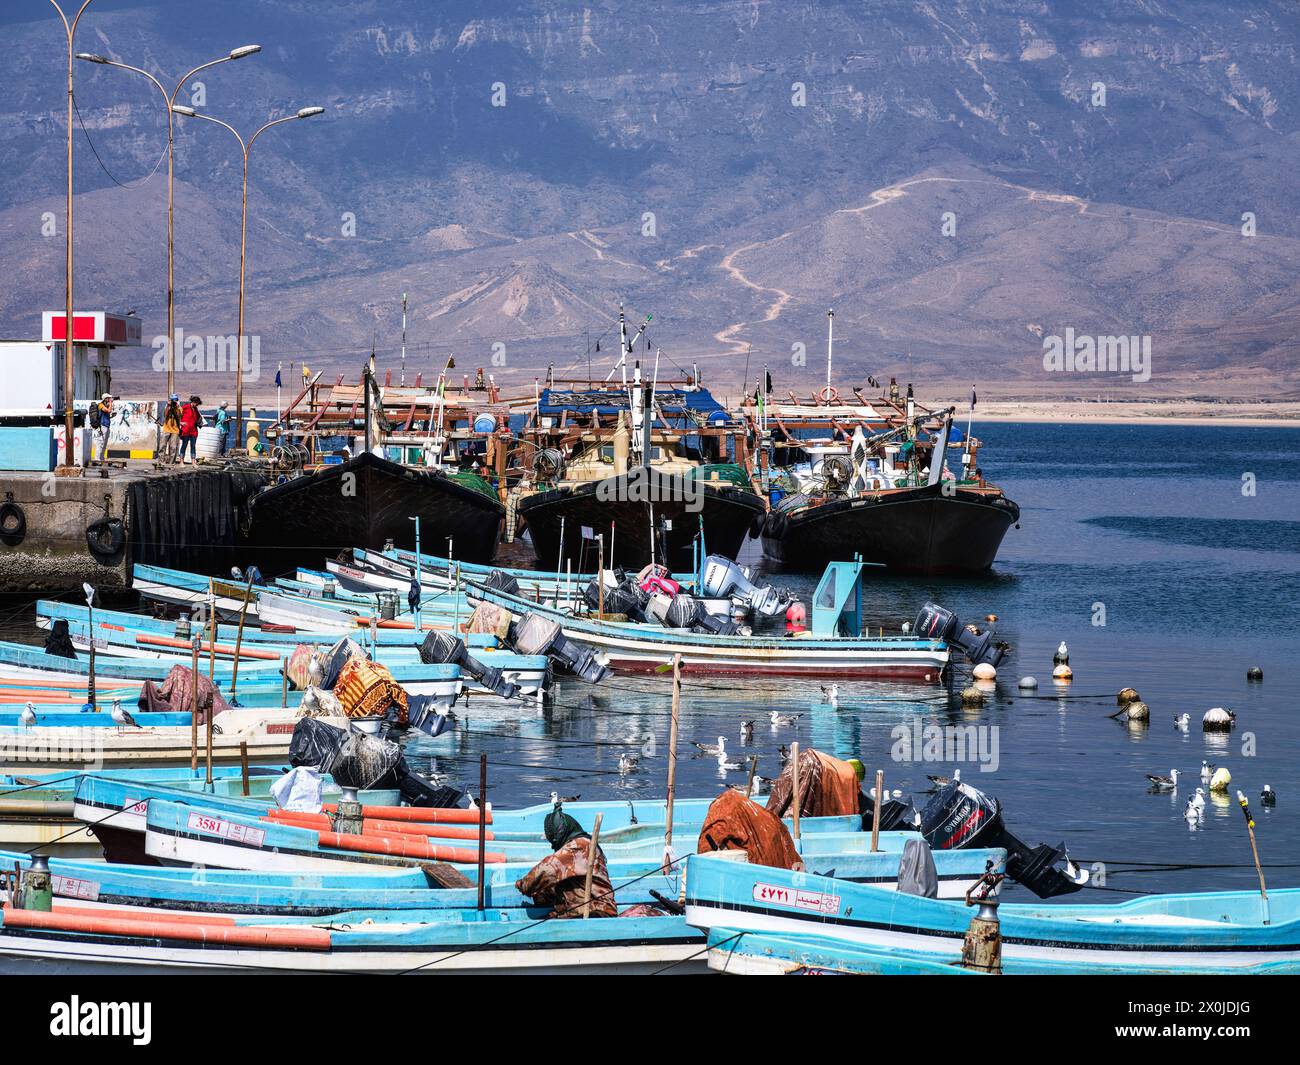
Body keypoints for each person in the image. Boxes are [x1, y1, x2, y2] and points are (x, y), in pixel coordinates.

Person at [514, 806, 617, 918]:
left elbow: (547, 869)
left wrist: (523, 885)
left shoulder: (579, 846)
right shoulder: (581, 844)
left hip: (597, 911)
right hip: (579, 909)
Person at [89, 393, 113, 465]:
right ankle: (97, 458)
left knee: (104, 443)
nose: (110, 399)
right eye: (109, 398)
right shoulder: (101, 405)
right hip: (102, 426)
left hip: (106, 425)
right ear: (105, 399)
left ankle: (101, 458)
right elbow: (108, 410)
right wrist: (111, 403)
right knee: (100, 442)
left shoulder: (105, 405)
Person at [178, 395, 202, 464]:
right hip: (186, 430)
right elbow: (177, 414)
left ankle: (193, 462)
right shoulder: (186, 407)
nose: (197, 405)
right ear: (193, 402)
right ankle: (181, 462)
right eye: (196, 403)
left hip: (194, 431)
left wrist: (199, 423)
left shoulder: (196, 409)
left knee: (193, 446)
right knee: (184, 445)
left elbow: (198, 418)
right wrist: (180, 422)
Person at [159, 394, 181, 464]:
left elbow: (179, 416)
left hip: (175, 430)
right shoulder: (167, 407)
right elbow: (165, 415)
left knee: (173, 447)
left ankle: (171, 463)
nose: (174, 402)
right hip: (166, 429)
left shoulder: (179, 408)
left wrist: (177, 407)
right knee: (162, 446)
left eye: (175, 400)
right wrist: (168, 405)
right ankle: (161, 462)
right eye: (172, 400)